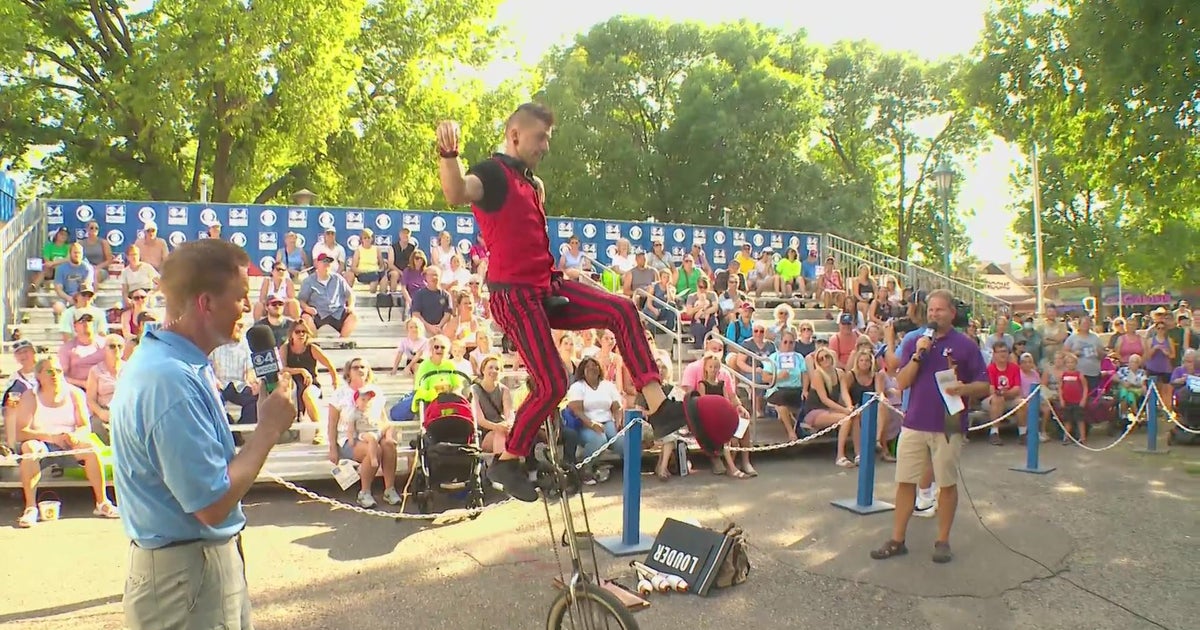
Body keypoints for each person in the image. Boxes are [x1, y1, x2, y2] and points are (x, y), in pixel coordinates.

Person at [435, 103, 734, 501]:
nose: (545, 146)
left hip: (546, 287)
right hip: (515, 296)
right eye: (541, 138)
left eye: (548, 139)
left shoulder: (532, 184)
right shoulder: (492, 172)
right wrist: (449, 154)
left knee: (622, 309)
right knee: (554, 382)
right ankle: (507, 460)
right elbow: (456, 191)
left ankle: (659, 407)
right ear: (516, 135)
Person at [109, 239, 298, 629]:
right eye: (241, 297)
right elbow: (211, 505)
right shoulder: (170, 380)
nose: (249, 308)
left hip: (192, 572)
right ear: (206, 303)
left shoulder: (177, 364)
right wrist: (268, 429)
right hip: (185, 580)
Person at [871, 289, 989, 564]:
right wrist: (917, 355)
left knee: (945, 484)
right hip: (914, 422)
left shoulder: (966, 345)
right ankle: (897, 539)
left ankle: (942, 540)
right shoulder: (915, 340)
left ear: (951, 313)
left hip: (948, 423)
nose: (935, 314)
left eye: (940, 310)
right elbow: (901, 382)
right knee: (904, 482)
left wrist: (965, 387)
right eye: (931, 310)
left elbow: (984, 385)